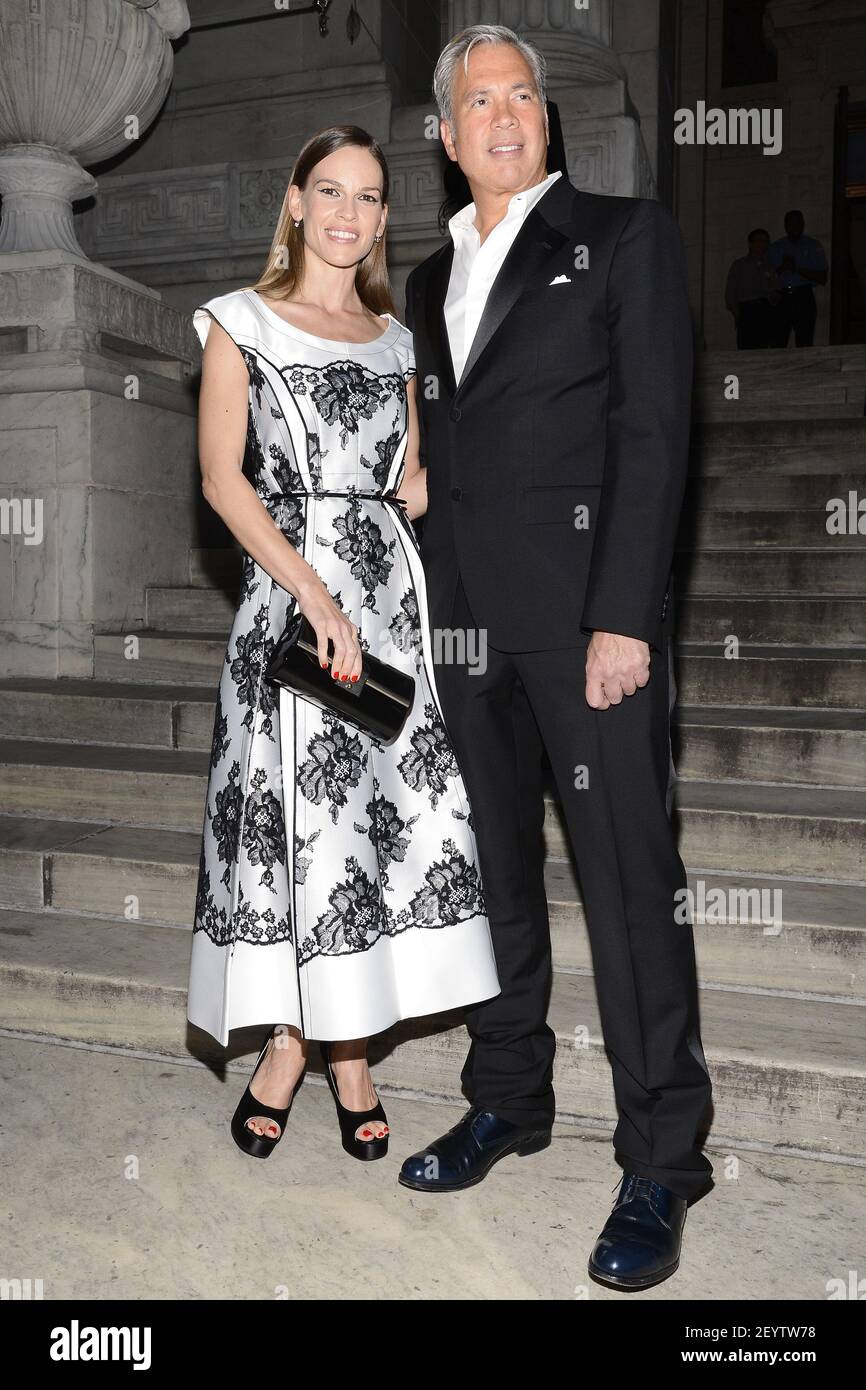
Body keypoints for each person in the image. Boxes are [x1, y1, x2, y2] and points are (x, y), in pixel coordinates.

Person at [398, 24, 713, 1292]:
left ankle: (661, 1159)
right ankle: (508, 1097)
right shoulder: (426, 281)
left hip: (589, 625)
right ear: (445, 132)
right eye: (478, 99)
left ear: (546, 116)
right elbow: (445, 436)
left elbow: (651, 431)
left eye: (522, 92)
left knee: (630, 887)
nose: (504, 113)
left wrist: (625, 615)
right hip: (465, 627)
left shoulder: (623, 237)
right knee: (492, 886)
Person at [186, 124, 499, 1163]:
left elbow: (411, 476)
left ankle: (350, 1051)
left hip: (388, 601)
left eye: (367, 197)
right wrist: (315, 594)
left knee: (372, 828)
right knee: (298, 830)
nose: (347, 213)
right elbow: (223, 481)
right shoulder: (239, 323)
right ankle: (289, 1044)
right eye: (329, 190)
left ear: (378, 218)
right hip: (289, 602)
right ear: (293, 199)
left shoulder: (399, 340)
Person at [768, 210, 828, 347]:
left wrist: (797, 268)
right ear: (785, 225)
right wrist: (782, 267)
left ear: (803, 224)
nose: (795, 226)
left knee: (805, 341)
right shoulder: (776, 247)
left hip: (803, 295)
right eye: (791, 223)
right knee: (778, 342)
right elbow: (766, 277)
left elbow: (823, 278)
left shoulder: (813, 245)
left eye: (798, 222)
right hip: (781, 297)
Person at [724, 227, 778, 348]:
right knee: (747, 347)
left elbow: (774, 289)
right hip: (747, 309)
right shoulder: (739, 264)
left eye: (765, 241)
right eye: (759, 240)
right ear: (750, 243)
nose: (762, 244)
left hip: (765, 310)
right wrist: (737, 314)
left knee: (765, 346)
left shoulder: (769, 266)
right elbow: (730, 292)